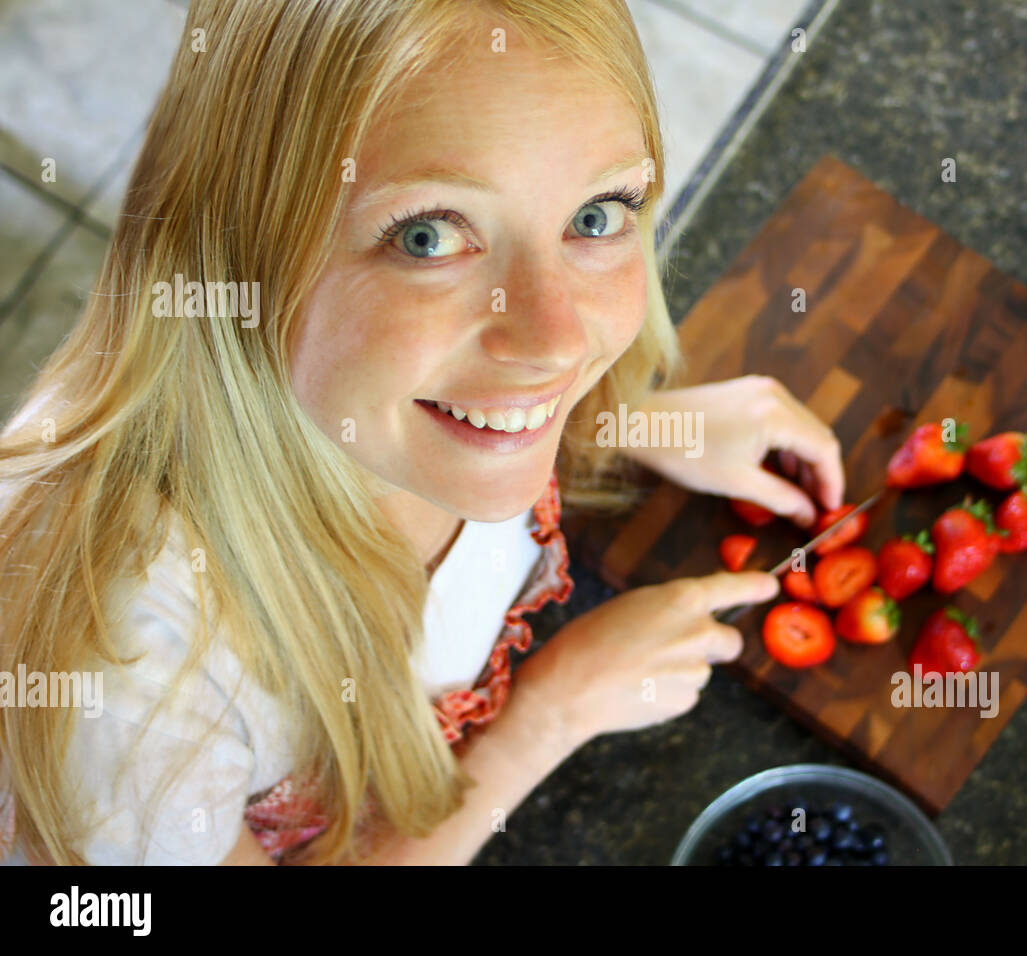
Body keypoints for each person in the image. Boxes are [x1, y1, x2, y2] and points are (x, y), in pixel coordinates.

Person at [0, 0, 843, 866]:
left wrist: (624, 422)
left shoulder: (404, 408)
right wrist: (549, 717)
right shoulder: (120, 677)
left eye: (596, 214)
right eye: (428, 236)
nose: (554, 342)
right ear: (232, 248)